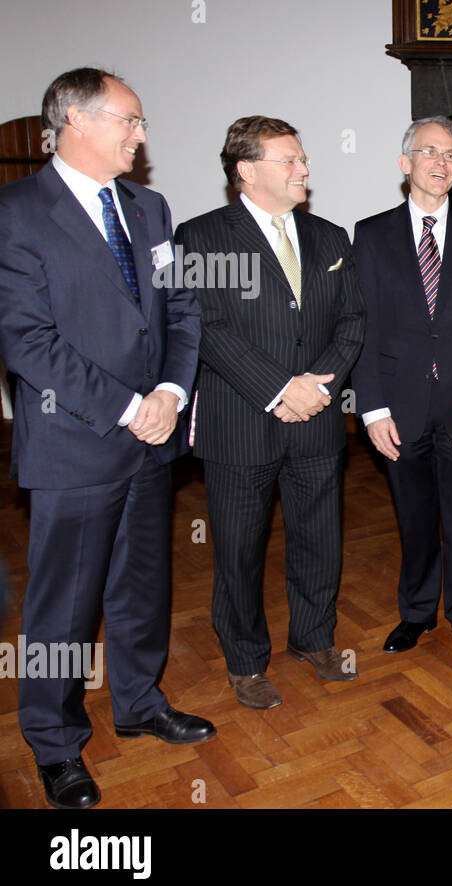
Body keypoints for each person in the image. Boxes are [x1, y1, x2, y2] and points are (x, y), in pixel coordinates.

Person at [0, 68, 213, 809]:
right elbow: (27, 341)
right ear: (76, 121)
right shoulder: (17, 212)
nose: (141, 135)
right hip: (75, 443)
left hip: (152, 438)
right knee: (63, 605)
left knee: (141, 587)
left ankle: (139, 701)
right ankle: (55, 743)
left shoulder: (149, 208)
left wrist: (172, 392)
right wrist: (130, 405)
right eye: (130, 120)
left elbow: (182, 309)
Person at [176, 116, 365, 709]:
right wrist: (281, 387)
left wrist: (318, 389)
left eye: (303, 158)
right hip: (240, 423)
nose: (304, 169)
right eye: (289, 160)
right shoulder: (200, 237)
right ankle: (245, 660)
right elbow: (209, 327)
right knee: (237, 549)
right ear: (246, 171)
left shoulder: (331, 237)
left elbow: (353, 321)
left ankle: (315, 638)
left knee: (320, 539)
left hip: (318, 419)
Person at [352, 117, 452, 657]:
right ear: (406, 164)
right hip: (399, 408)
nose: (441, 163)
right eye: (429, 152)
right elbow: (362, 330)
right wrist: (371, 411)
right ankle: (416, 613)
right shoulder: (369, 236)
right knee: (413, 517)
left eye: (450, 155)